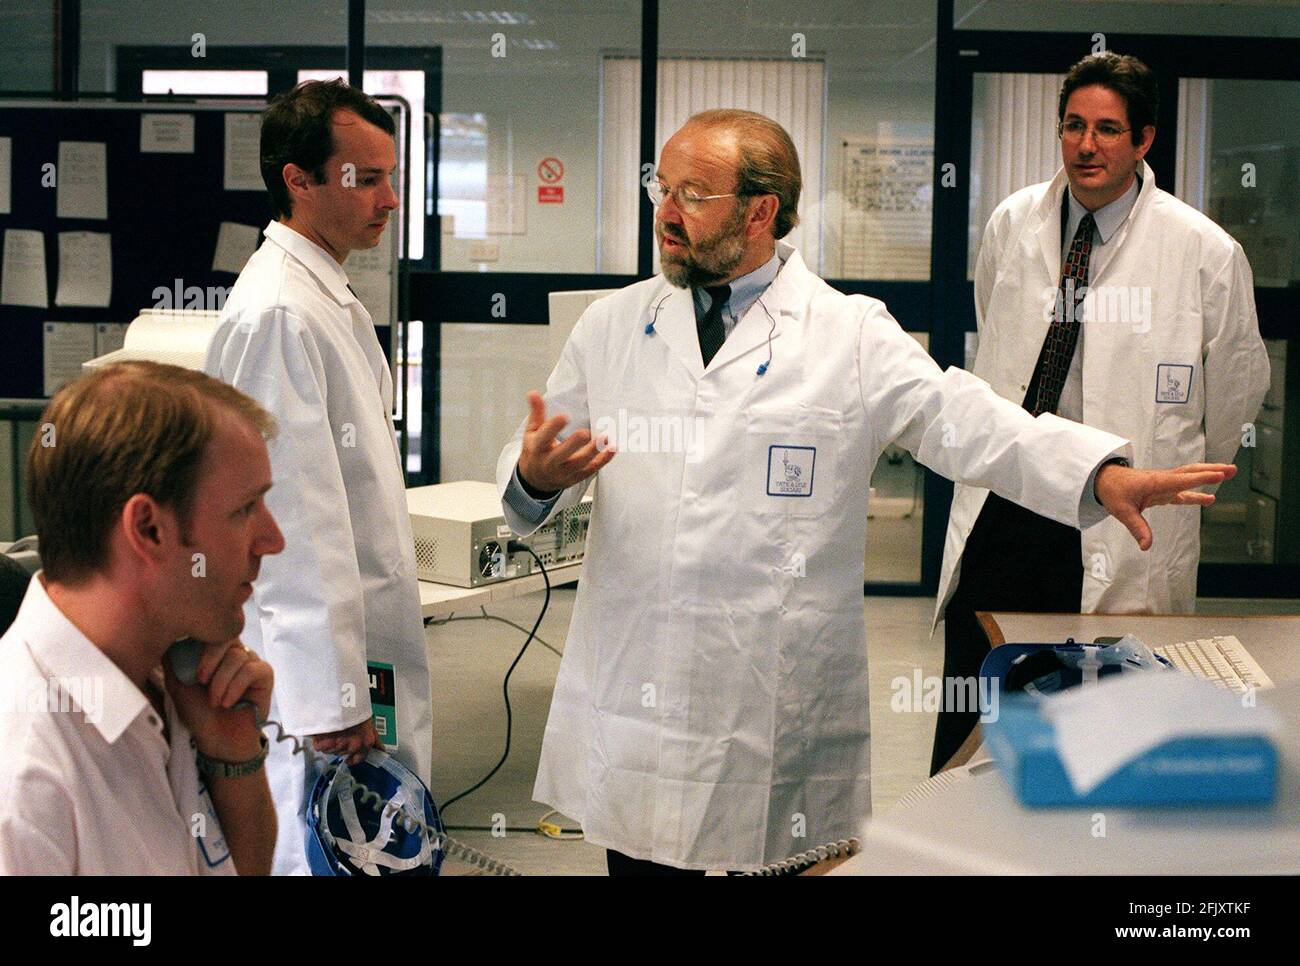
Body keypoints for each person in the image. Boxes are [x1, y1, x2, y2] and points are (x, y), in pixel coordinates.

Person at [497, 108, 1236, 874]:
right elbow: (534, 461)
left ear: (761, 212)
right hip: (639, 683)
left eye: (693, 193)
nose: (666, 211)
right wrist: (535, 480)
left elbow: (963, 417)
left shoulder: (846, 331)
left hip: (769, 689)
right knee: (643, 863)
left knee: (774, 856)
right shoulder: (613, 327)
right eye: (662, 186)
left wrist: (1096, 471)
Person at [930, 53, 1270, 774]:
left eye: (1108, 130)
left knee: (1099, 735)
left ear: (1144, 140)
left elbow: (1237, 386)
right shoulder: (1012, 223)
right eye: (1074, 127)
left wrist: (1155, 457)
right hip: (1012, 500)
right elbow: (995, 326)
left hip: (1123, 518)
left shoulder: (1204, 252)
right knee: (975, 719)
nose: (1087, 146)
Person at [204, 78, 432, 875]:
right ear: (298, 181)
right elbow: (294, 521)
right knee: (316, 855)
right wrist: (332, 700)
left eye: (390, 176)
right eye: (365, 179)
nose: (390, 198)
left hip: (348, 661)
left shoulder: (322, 293)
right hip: (311, 688)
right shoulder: (279, 312)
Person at [0, 362, 282, 875]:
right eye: (245, 510)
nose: (272, 540)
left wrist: (233, 756)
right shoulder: (24, 777)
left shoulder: (162, 676)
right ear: (150, 529)